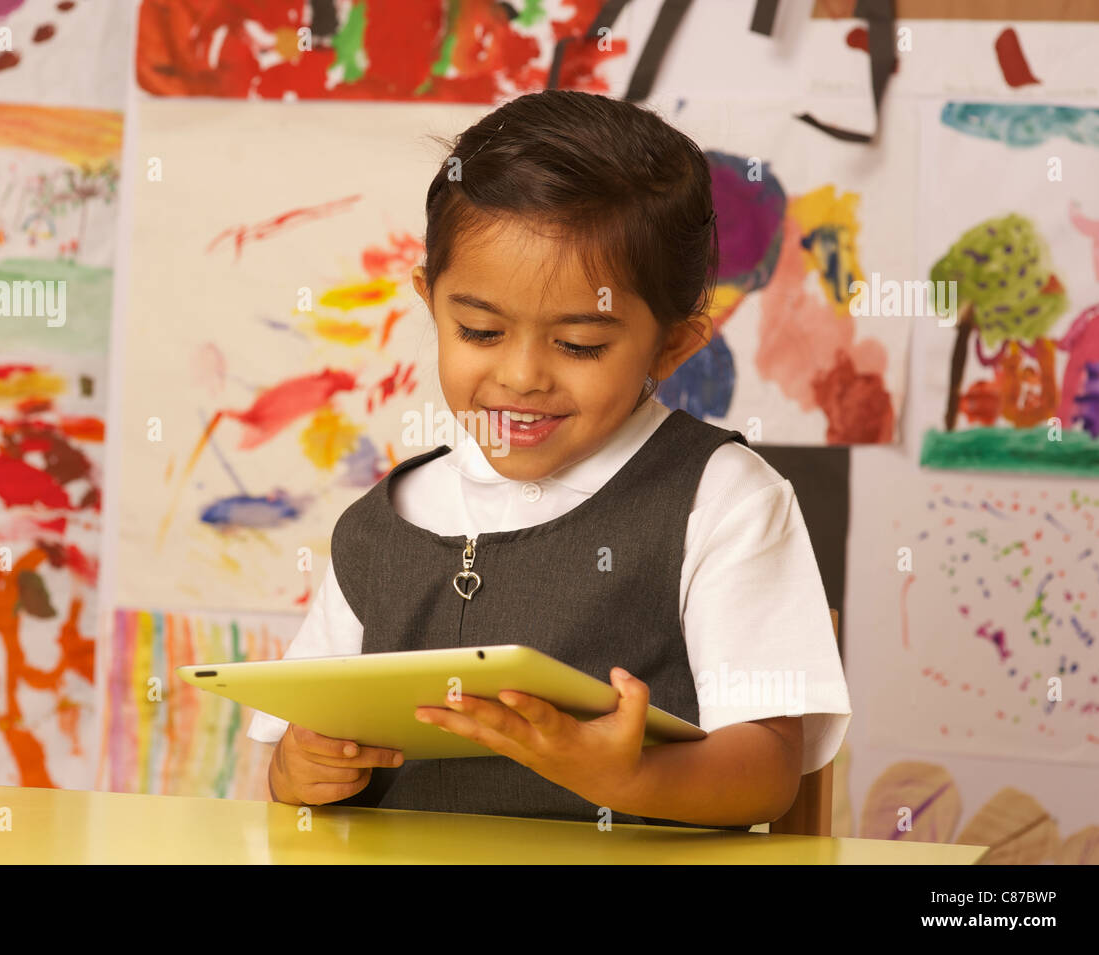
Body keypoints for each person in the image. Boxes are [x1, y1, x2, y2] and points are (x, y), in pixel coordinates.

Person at [248, 89, 851, 829]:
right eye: (478, 331)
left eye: (579, 345)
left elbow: (766, 772)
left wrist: (625, 776)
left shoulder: (722, 499)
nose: (523, 375)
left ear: (673, 343)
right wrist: (304, 768)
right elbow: (289, 763)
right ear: (430, 302)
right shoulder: (381, 526)